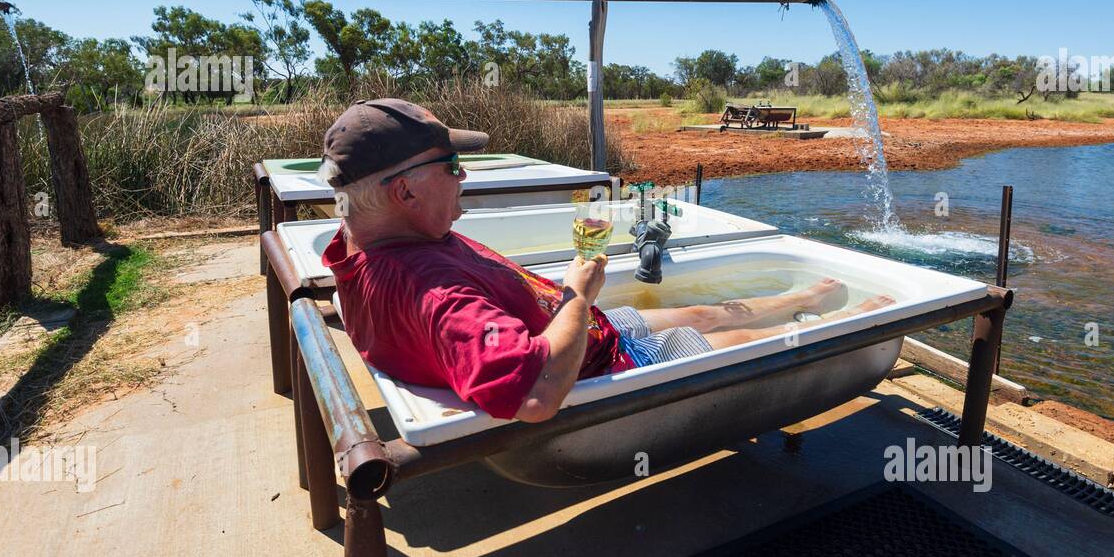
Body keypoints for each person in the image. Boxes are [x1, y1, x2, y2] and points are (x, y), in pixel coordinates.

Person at [318, 99, 894, 424]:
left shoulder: (365, 248)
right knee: (741, 339)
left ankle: (802, 299)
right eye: (451, 167)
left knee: (708, 310)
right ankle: (847, 324)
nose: (464, 176)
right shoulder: (430, 287)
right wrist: (577, 293)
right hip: (604, 361)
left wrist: (576, 299)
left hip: (588, 332)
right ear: (405, 191)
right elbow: (536, 394)